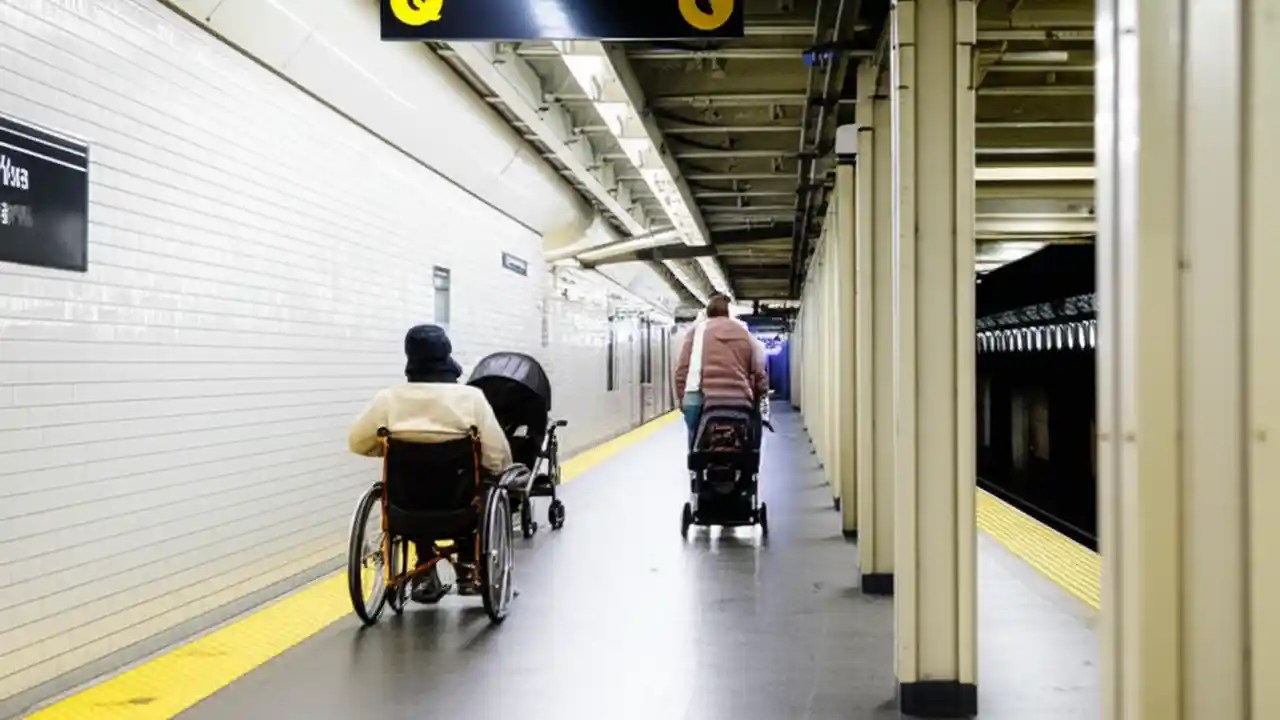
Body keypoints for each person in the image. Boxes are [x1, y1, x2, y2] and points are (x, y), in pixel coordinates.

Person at [348, 324, 512, 604]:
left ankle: (424, 571)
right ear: (447, 355)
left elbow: (357, 442)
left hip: (405, 511)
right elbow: (497, 455)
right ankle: (468, 568)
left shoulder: (388, 399)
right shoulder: (471, 398)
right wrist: (492, 469)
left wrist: (388, 448)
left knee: (416, 488)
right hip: (460, 509)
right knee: (476, 485)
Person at [674, 294, 769, 448]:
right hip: (740, 398)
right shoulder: (743, 331)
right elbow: (758, 369)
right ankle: (751, 461)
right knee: (755, 421)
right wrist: (760, 392)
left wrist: (681, 398)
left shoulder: (696, 332)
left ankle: (695, 457)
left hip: (703, 398)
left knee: (694, 427)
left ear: (708, 311)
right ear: (729, 312)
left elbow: (682, 370)